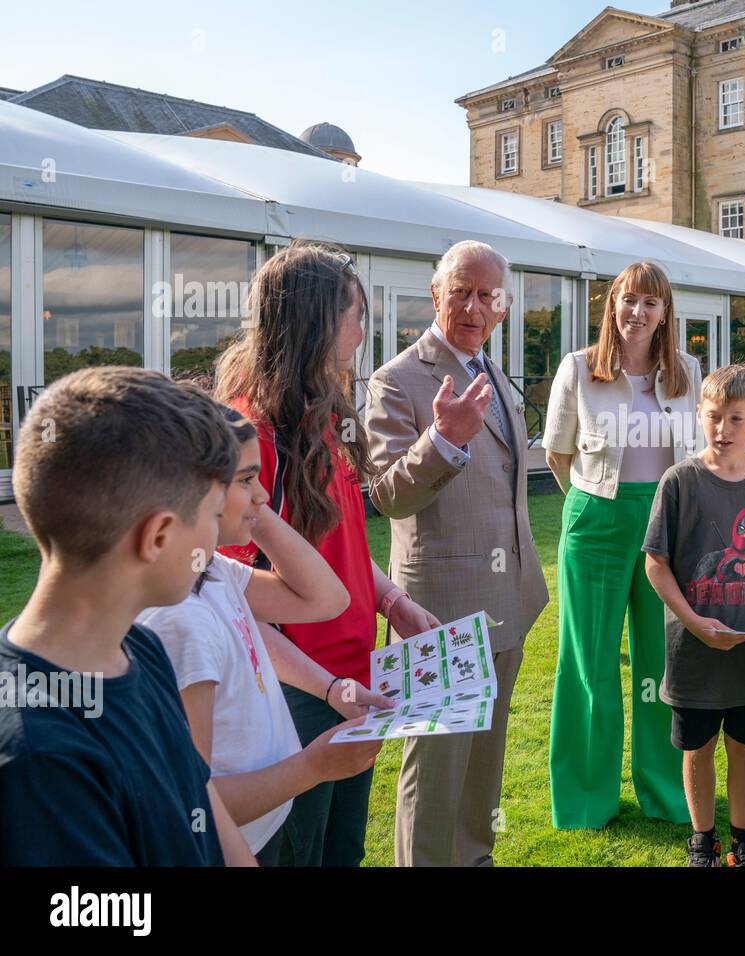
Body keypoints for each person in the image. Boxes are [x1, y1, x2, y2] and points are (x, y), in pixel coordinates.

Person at [216, 240, 440, 866]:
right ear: (314, 318)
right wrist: (329, 685)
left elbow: (334, 550)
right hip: (296, 695)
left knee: (341, 854)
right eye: (356, 312)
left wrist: (391, 600)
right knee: (293, 854)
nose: (364, 329)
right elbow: (235, 603)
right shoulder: (253, 439)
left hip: (352, 685)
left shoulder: (328, 422)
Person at [0, 367, 253, 865]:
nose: (216, 533)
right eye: (213, 512)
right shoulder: (41, 759)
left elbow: (198, 798)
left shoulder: (140, 649)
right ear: (158, 536)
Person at [139, 407, 393, 864]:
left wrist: (248, 511)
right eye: (246, 479)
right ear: (191, 488)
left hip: (261, 828)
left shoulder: (212, 570)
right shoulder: (181, 619)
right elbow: (194, 803)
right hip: (234, 840)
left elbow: (325, 597)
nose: (263, 495)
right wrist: (313, 767)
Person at [366, 239, 548, 866]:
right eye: (461, 293)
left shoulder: (492, 371)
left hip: (507, 602)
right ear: (435, 295)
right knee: (436, 776)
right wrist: (441, 439)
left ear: (502, 307)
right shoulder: (395, 380)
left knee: (482, 771)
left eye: (486, 296)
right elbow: (387, 495)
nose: (473, 307)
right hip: (438, 611)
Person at [543, 260, 698, 829]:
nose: (637, 312)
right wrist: (597, 505)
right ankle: (587, 800)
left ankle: (666, 792)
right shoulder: (580, 369)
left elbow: (697, 455)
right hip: (595, 521)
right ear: (613, 305)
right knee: (589, 663)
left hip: (665, 527)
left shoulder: (687, 370)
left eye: (650, 303)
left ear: (664, 314)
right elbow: (558, 453)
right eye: (628, 300)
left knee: (663, 665)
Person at [643, 364, 745, 866]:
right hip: (694, 650)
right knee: (697, 748)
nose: (723, 429)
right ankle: (702, 842)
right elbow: (656, 563)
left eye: (736, 419)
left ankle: (743, 843)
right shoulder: (679, 481)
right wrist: (694, 622)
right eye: (714, 417)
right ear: (699, 415)